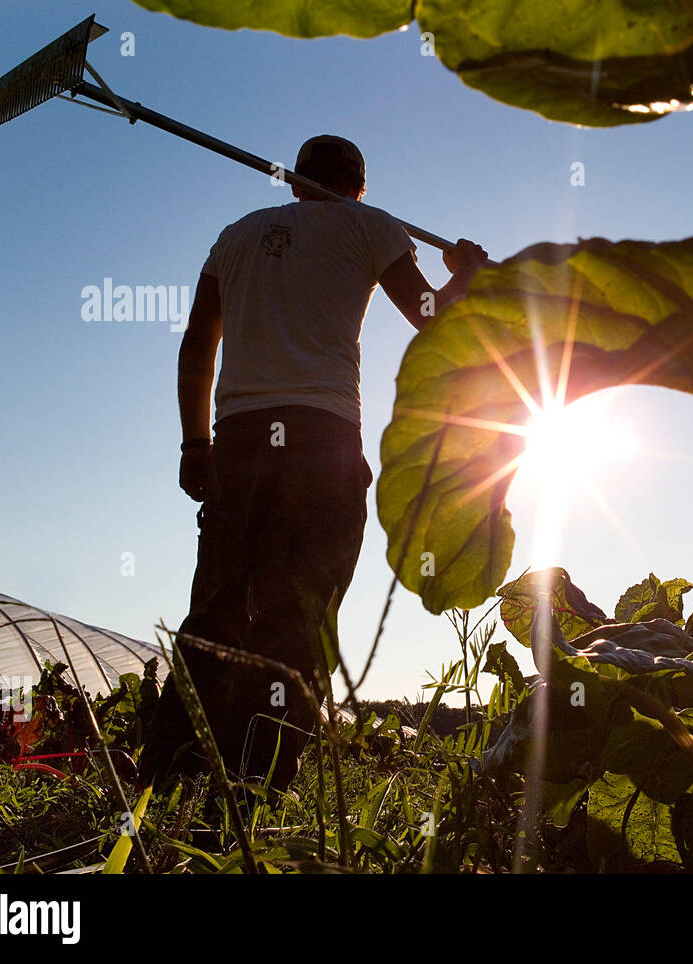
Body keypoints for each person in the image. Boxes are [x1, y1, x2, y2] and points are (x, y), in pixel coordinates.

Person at [137, 134, 488, 795]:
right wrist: (465, 269)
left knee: (214, 610)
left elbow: (196, 347)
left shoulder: (235, 236)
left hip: (238, 440)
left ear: (297, 181)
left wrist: (194, 444)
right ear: (359, 184)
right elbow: (435, 318)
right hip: (320, 440)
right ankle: (255, 786)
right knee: (297, 618)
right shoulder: (371, 224)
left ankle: (168, 777)